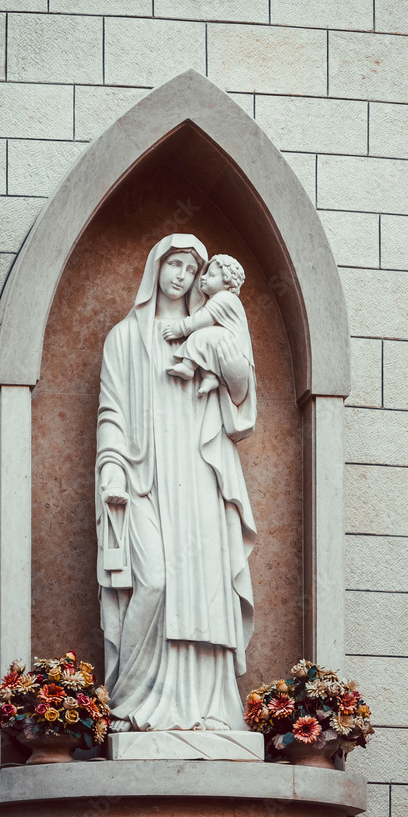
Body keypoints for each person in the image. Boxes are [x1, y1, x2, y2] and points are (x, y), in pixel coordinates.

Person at [95, 234, 257, 732]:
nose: (182, 275)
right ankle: (127, 699)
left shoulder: (212, 323)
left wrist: (232, 354)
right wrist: (111, 468)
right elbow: (111, 411)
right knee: (156, 579)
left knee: (203, 582)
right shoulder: (124, 338)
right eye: (174, 263)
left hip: (199, 472)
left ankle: (207, 707)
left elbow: (241, 397)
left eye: (191, 267)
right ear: (156, 267)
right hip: (144, 478)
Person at [162, 254, 252, 398]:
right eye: (204, 273)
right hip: (223, 343)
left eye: (211, 275)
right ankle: (210, 377)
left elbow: (202, 319)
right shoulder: (222, 298)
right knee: (206, 348)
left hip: (229, 345)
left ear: (227, 283)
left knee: (199, 337)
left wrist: (180, 329)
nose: (203, 278)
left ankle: (188, 366)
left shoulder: (224, 298)